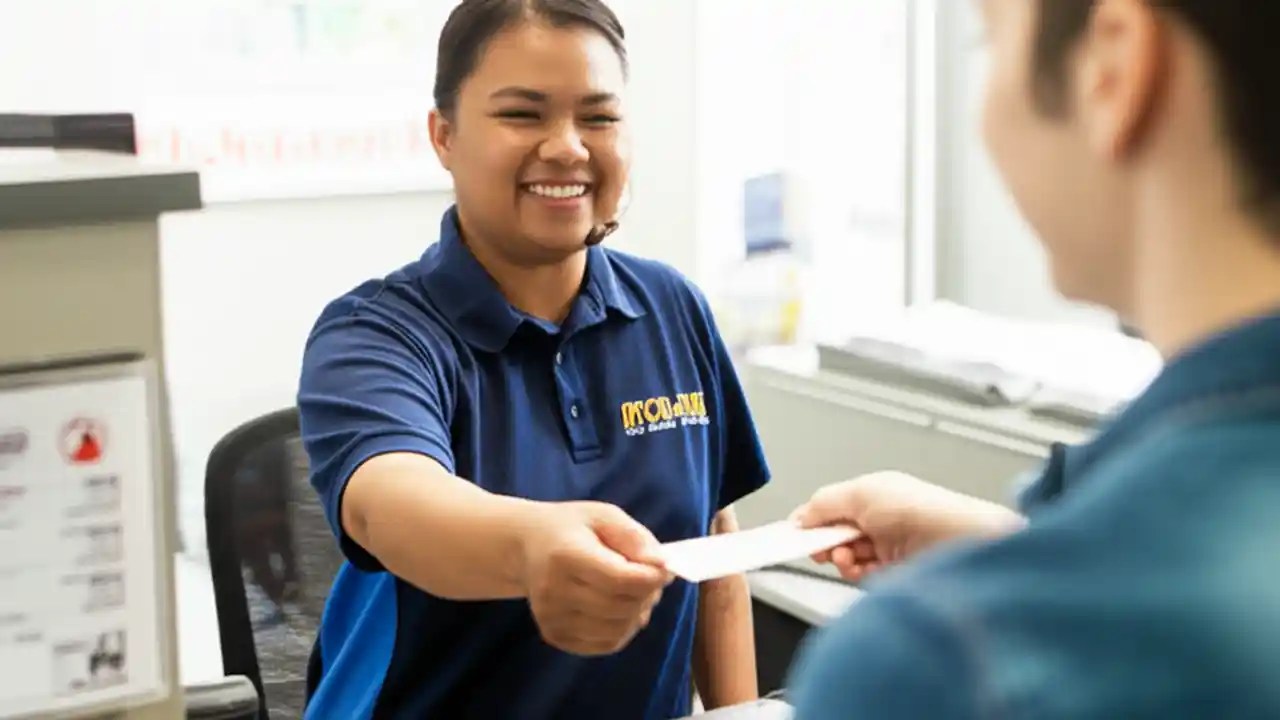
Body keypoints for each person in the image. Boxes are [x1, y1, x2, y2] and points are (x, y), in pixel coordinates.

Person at [787, 0, 1280, 717]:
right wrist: (1013, 542)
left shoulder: (947, 665)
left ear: (1112, 67)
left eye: (991, 41)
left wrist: (982, 602)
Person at [296, 1, 769, 718]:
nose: (568, 147)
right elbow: (390, 505)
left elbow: (713, 554)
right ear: (445, 135)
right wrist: (533, 550)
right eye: (523, 114)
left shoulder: (673, 308)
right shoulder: (374, 336)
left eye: (599, 118)